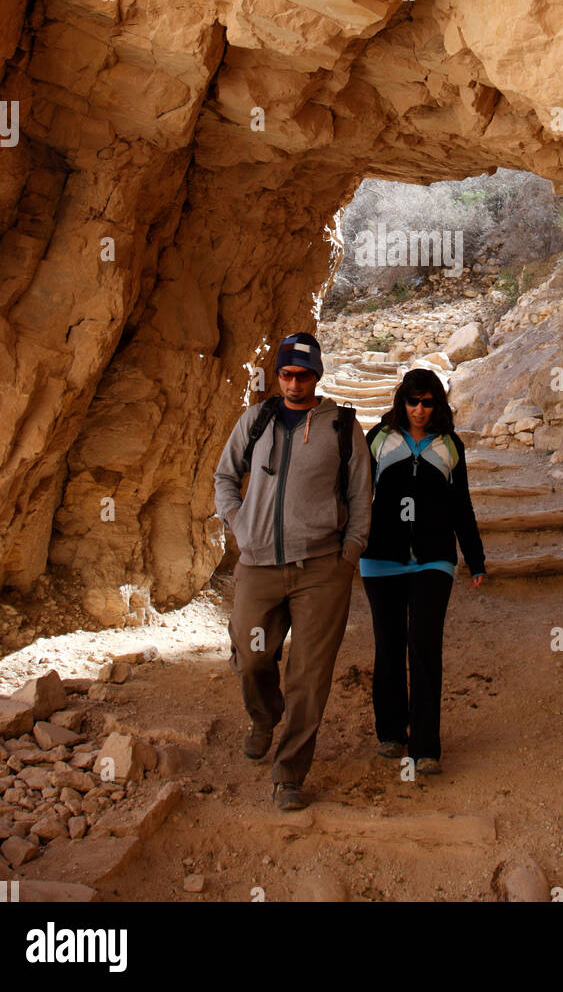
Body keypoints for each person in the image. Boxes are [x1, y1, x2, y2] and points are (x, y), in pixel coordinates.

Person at [213, 332, 371, 811]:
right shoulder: (256, 419)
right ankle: (264, 716)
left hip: (322, 569)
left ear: (317, 376)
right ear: (278, 375)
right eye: (286, 374)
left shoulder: (342, 427)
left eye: (303, 375)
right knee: (252, 655)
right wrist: (238, 523)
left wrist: (350, 554)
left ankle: (290, 773)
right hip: (259, 565)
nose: (294, 383)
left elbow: (362, 497)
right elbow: (225, 476)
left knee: (309, 675)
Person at [361, 368, 485, 774]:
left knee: (425, 646)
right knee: (389, 646)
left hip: (433, 558)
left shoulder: (450, 446)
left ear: (438, 404)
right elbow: (356, 495)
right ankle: (392, 733)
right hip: (381, 557)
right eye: (412, 401)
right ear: (402, 402)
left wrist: (475, 558)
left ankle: (426, 747)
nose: (418, 410)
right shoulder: (379, 439)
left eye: (427, 402)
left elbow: (461, 505)